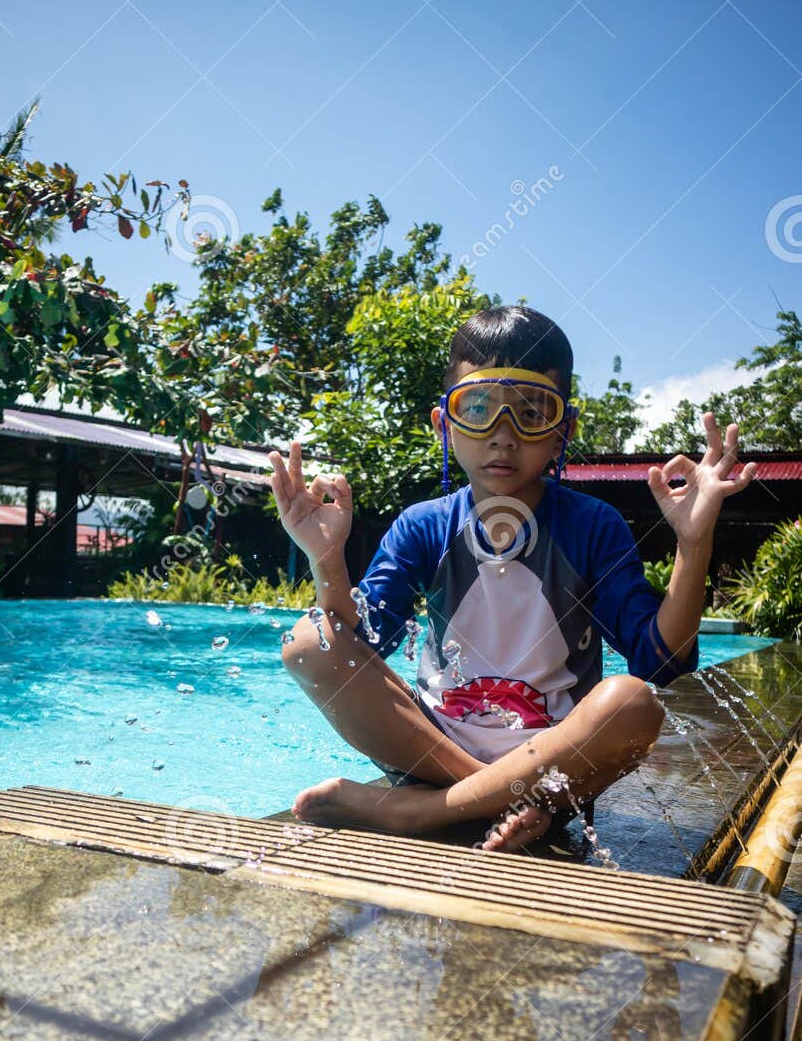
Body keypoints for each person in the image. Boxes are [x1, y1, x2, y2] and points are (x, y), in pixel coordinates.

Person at [268, 305, 756, 854]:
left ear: (562, 431)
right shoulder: (424, 526)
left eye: (530, 412)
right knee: (310, 642)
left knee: (633, 703)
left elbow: (660, 662)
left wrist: (694, 545)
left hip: (554, 772)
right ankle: (473, 797)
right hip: (442, 760)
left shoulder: (593, 528)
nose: (503, 436)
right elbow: (360, 644)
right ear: (444, 426)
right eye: (477, 409)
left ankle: (421, 813)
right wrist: (326, 559)